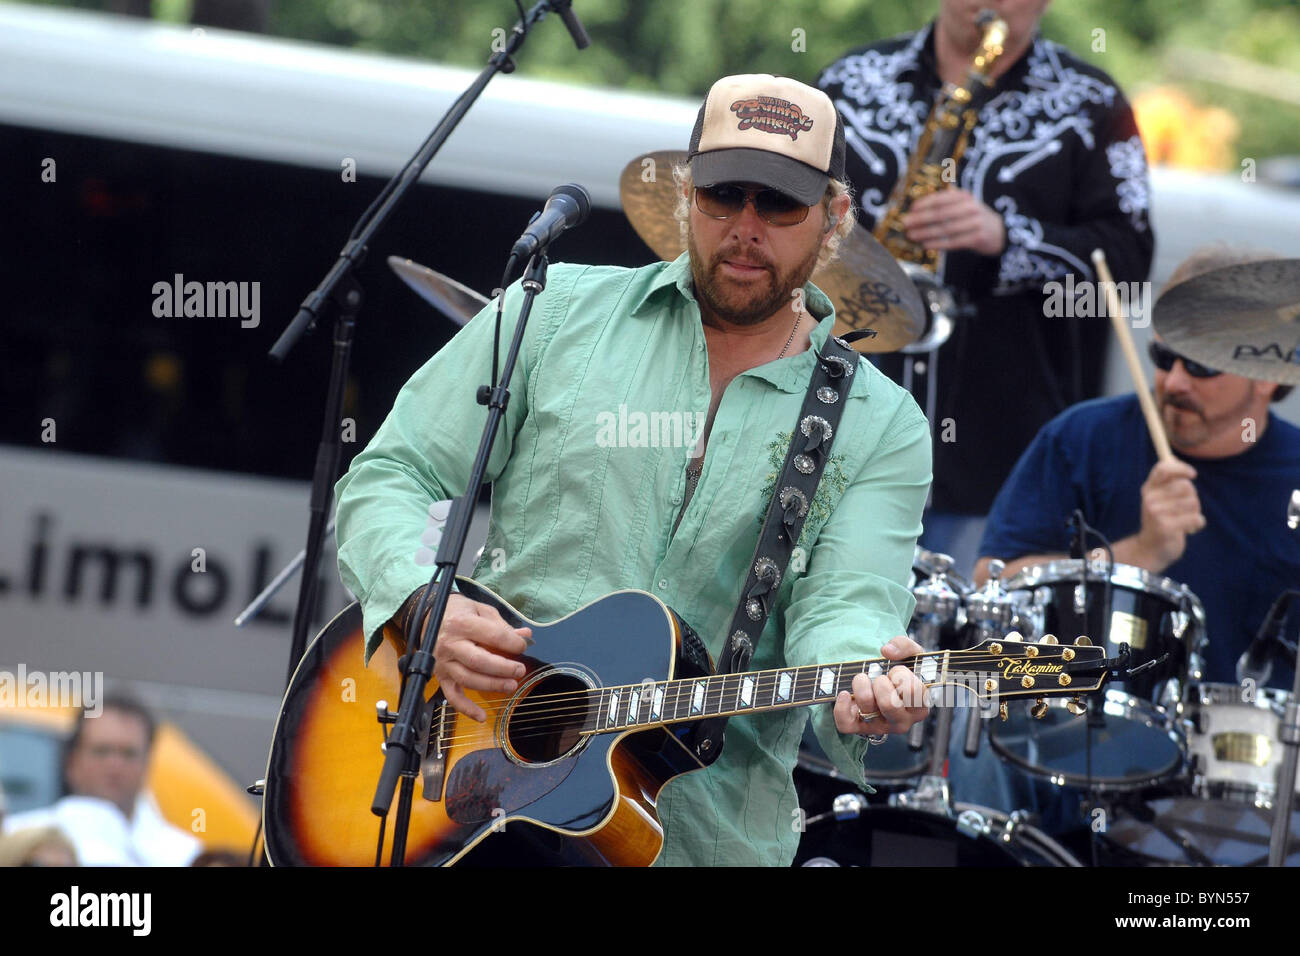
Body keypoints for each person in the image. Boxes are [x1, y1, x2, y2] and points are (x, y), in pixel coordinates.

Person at [335, 74, 933, 866]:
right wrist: (421, 607)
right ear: (686, 194)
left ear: (834, 219)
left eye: (781, 204)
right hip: (468, 801)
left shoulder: (882, 424)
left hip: (697, 837)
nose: (746, 228)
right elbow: (391, 474)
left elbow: (847, 607)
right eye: (724, 196)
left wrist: (865, 683)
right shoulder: (550, 311)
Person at [818, 0, 1154, 574]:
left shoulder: (1095, 104)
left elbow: (1130, 258)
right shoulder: (846, 83)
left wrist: (1010, 237)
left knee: (972, 661)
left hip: (1002, 462)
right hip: (840, 439)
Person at [975, 245, 1300, 691]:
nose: (1175, 382)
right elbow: (992, 582)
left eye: (1202, 365)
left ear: (1267, 375)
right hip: (1081, 725)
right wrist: (1140, 554)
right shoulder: (1082, 437)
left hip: (1244, 749)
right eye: (1164, 358)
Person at [3, 695, 201, 866]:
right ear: (71, 761)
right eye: (102, 751)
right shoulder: (16, 841)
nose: (115, 766)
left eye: (128, 754)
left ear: (147, 764)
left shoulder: (186, 856)